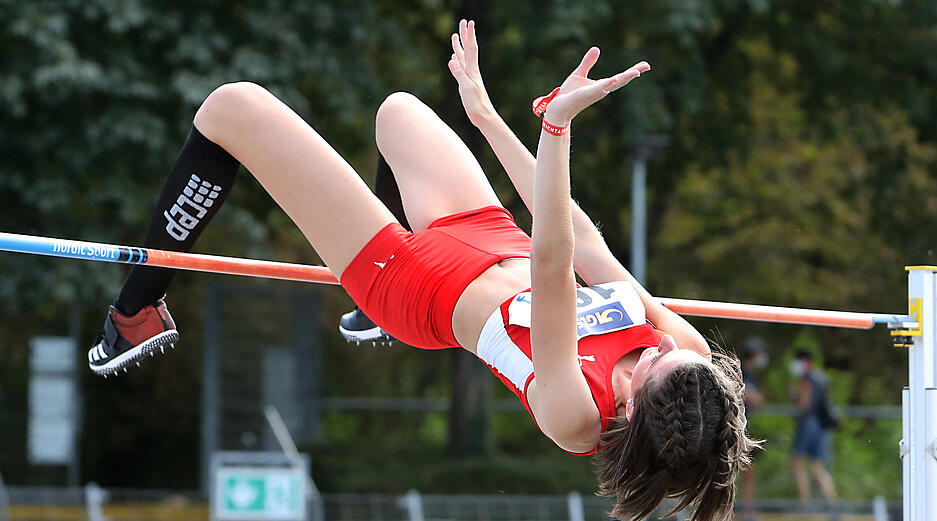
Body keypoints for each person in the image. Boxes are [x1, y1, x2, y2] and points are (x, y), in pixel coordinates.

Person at [87, 20, 757, 521]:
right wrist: (491, 121)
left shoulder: (576, 414)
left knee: (233, 108)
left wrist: (556, 132)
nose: (662, 342)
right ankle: (359, 313)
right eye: (673, 350)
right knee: (399, 112)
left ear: (635, 400)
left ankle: (136, 314)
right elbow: (585, 247)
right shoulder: (686, 357)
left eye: (653, 362)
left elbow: (551, 265)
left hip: (410, 282)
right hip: (482, 235)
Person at [790, 349, 838, 509]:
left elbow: (805, 403)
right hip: (822, 425)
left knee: (798, 463)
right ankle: (833, 505)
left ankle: (805, 504)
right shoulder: (822, 377)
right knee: (817, 468)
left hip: (809, 422)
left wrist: (795, 397)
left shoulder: (807, 378)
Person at [739, 337, 767, 521]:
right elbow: (752, 397)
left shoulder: (747, 372)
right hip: (736, 427)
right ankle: (745, 512)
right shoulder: (742, 372)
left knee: (746, 470)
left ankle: (746, 511)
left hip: (741, 427)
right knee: (742, 470)